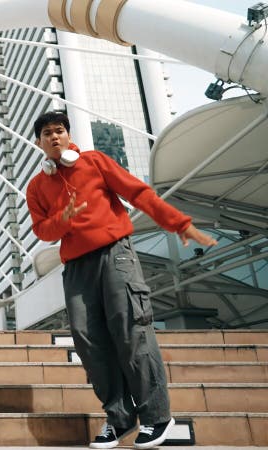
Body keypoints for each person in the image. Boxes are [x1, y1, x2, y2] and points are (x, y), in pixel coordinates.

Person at [25, 111, 217, 450]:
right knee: (88, 340)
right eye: (46, 133)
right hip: (76, 268)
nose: (54, 137)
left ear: (69, 137)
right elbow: (42, 231)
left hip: (116, 255)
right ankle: (119, 417)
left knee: (131, 328)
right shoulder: (37, 186)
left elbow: (137, 193)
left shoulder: (95, 161)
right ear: (39, 143)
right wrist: (63, 219)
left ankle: (157, 417)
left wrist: (178, 223)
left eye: (59, 131)